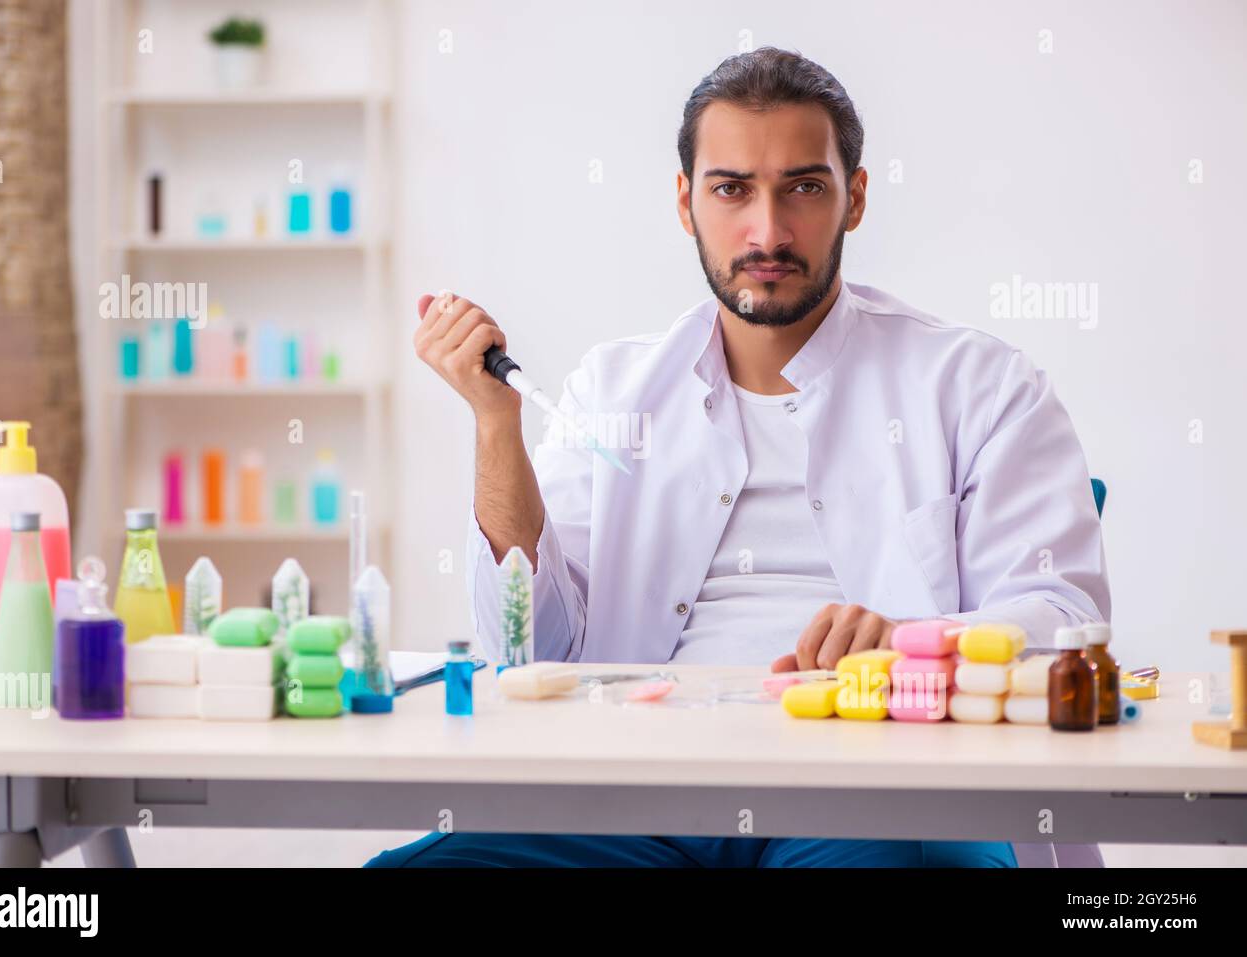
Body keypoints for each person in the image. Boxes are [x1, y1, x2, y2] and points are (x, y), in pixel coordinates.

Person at [368, 47, 1108, 869]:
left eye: (803, 186)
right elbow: (530, 649)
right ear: (686, 203)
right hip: (633, 791)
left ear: (854, 198)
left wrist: (915, 640)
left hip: (872, 788)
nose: (768, 230)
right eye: (731, 190)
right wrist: (495, 424)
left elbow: (1063, 617)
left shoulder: (980, 386)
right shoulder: (611, 390)